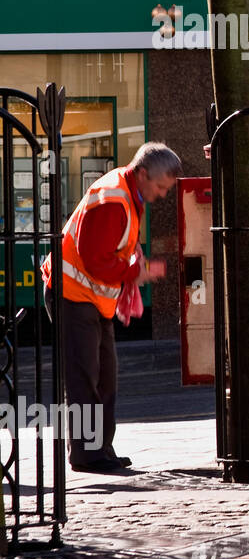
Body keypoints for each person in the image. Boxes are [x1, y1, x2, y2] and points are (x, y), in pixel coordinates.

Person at [40, 142, 181, 474]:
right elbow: (94, 260)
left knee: (103, 375)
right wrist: (136, 272)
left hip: (89, 298)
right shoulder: (113, 200)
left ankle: (100, 448)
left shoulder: (127, 193)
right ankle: (88, 455)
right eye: (161, 187)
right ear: (142, 173)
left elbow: (110, 250)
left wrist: (133, 261)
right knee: (85, 376)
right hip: (72, 294)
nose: (162, 195)